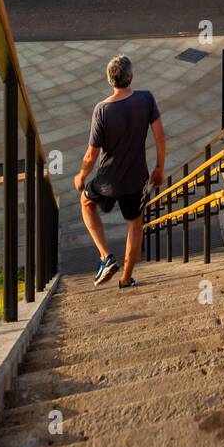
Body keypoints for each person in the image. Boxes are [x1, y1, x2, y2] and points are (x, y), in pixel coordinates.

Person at [74, 55, 166, 289]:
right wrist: (159, 167)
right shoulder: (146, 99)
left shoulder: (102, 110)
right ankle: (126, 279)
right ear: (131, 76)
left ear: (109, 80)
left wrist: (81, 176)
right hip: (137, 180)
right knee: (135, 223)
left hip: (107, 181)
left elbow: (91, 155)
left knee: (86, 203)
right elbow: (160, 136)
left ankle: (106, 256)